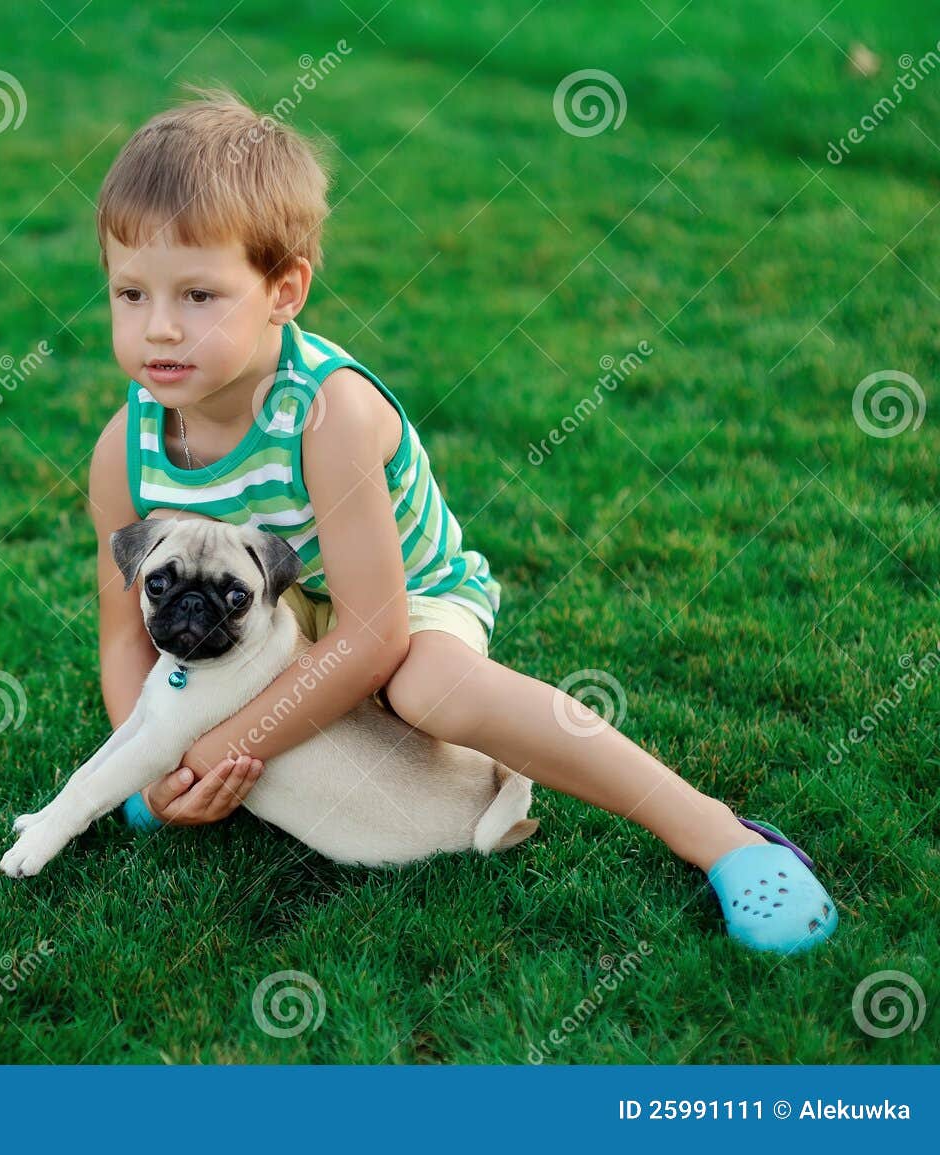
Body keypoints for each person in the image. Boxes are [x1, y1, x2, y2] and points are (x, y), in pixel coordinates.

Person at [82, 86, 837, 955]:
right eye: (130, 294)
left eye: (200, 296)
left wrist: (213, 750)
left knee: (426, 688)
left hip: (401, 600)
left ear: (284, 289)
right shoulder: (124, 451)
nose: (158, 329)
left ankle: (721, 836)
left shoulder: (330, 414)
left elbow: (372, 633)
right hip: (274, 617)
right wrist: (151, 768)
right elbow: (123, 639)